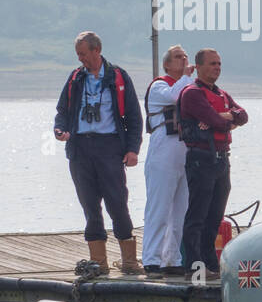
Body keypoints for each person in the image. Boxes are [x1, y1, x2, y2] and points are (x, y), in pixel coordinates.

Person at [53, 31, 144, 274]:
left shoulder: (118, 77)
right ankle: (100, 264)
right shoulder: (75, 78)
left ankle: (129, 261)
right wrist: (59, 129)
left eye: (83, 53)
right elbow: (62, 110)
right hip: (81, 149)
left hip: (110, 147)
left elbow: (134, 117)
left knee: (117, 203)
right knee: (90, 206)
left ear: (96, 50)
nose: (80, 58)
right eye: (78, 54)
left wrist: (133, 149)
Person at [178, 49, 248, 275]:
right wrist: (227, 118)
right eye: (212, 64)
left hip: (221, 160)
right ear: (198, 67)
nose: (217, 67)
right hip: (201, 159)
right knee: (197, 215)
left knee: (215, 216)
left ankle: (210, 263)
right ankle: (193, 265)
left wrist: (226, 116)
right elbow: (214, 120)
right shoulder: (192, 93)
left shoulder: (222, 94)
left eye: (219, 63)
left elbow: (243, 115)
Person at [142, 45, 195, 275]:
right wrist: (186, 77)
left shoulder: (188, 85)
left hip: (184, 151)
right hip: (163, 149)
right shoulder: (159, 85)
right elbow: (174, 97)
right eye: (177, 57)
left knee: (181, 210)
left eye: (185, 56)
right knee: (159, 207)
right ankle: (151, 258)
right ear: (167, 64)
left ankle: (172, 259)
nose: (183, 59)